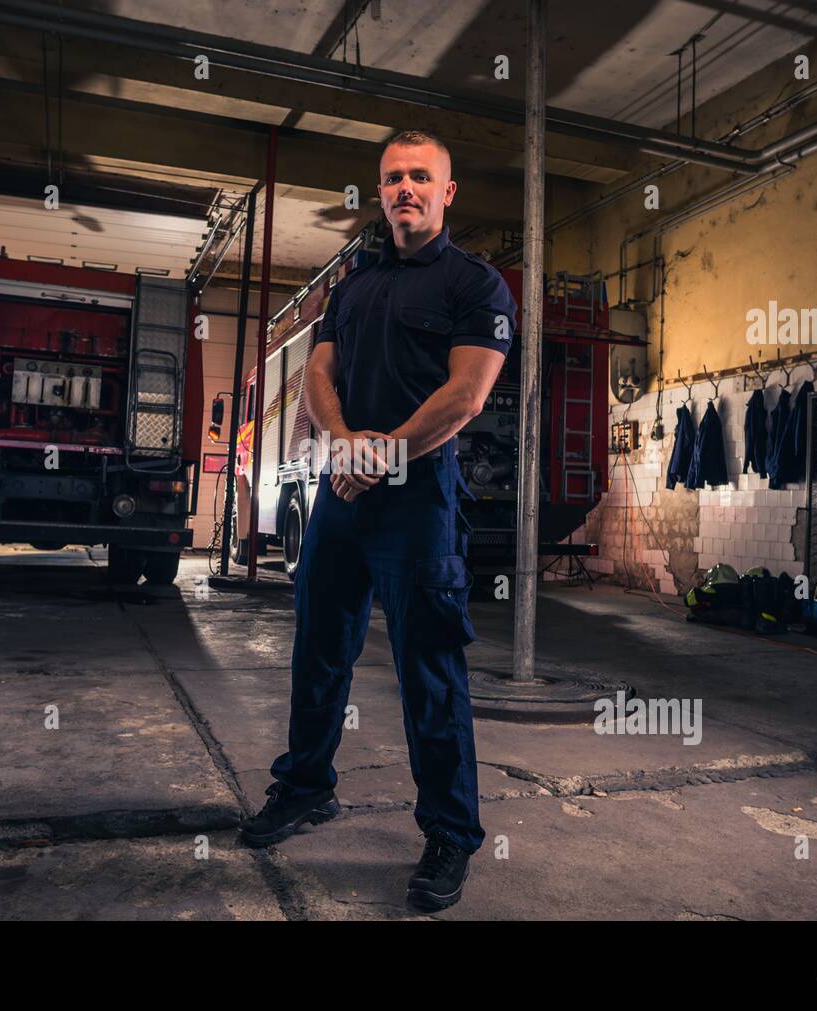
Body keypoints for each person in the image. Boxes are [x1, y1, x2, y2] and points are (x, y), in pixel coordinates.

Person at [239, 130, 517, 913]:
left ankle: (450, 833)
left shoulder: (477, 286)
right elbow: (317, 376)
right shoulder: (353, 281)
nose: (406, 188)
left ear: (448, 191)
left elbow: (464, 397)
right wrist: (342, 443)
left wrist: (382, 454)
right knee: (319, 648)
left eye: (421, 176)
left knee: (428, 667)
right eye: (394, 177)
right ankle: (304, 787)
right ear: (381, 191)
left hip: (416, 499)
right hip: (343, 494)